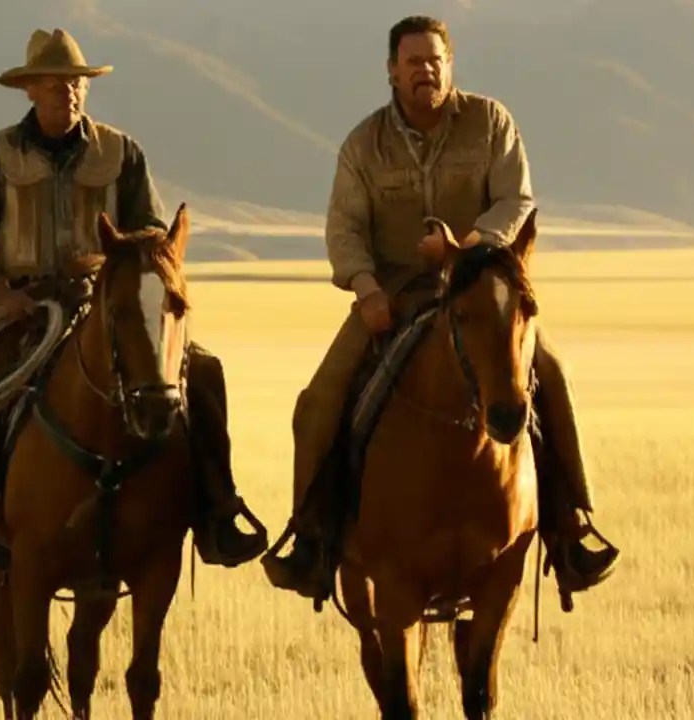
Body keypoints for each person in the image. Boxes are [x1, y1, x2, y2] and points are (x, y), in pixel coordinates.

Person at [262, 15, 620, 601]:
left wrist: (467, 246)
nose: (425, 71)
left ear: (450, 64)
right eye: (412, 63)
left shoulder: (490, 123)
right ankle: (311, 536)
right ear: (391, 71)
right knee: (320, 397)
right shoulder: (363, 144)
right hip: (395, 295)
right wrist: (366, 289)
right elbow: (345, 228)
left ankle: (571, 526)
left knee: (551, 374)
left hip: (482, 286)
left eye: (435, 60)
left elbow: (516, 200)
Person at [0, 28, 267, 572]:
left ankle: (218, 509)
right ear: (30, 89)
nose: (71, 92)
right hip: (21, 306)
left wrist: (127, 268)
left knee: (201, 373)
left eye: (79, 83)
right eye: (57, 83)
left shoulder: (121, 151)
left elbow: (153, 227)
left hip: (105, 303)